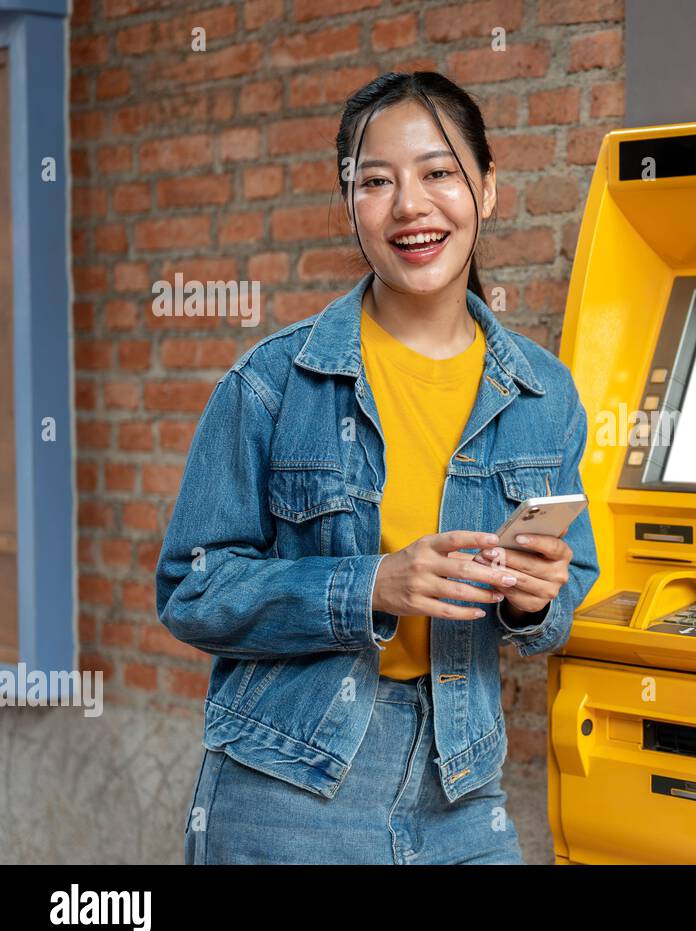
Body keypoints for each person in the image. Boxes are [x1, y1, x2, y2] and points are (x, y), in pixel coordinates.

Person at [156, 71, 600, 864]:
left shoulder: (545, 392)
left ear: (488, 190)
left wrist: (536, 602)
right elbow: (192, 588)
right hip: (288, 786)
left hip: (462, 787)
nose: (410, 206)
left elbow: (574, 580)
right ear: (349, 204)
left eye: (438, 173)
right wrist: (369, 585)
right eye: (376, 182)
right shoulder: (270, 383)